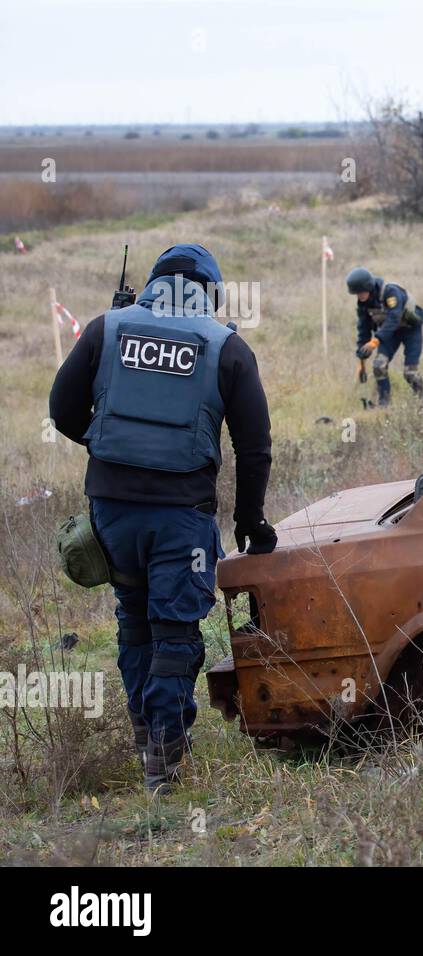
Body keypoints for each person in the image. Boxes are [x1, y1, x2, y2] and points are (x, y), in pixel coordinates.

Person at [48, 243, 275, 795]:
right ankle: (164, 763)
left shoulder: (106, 328)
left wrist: (109, 445)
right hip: (181, 519)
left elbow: (62, 410)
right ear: (210, 291)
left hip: (113, 515)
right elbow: (255, 446)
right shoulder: (226, 346)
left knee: (134, 622)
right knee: (174, 634)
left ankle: (147, 735)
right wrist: (250, 520)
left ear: (152, 283)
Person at [347, 267, 423, 406]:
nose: (359, 296)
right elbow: (363, 328)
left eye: (361, 292)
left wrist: (376, 340)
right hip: (389, 334)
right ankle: (384, 404)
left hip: (410, 330)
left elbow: (394, 318)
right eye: (356, 293)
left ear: (369, 287)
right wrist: (361, 358)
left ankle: (421, 402)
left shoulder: (390, 292)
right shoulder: (363, 304)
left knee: (410, 373)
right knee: (379, 366)